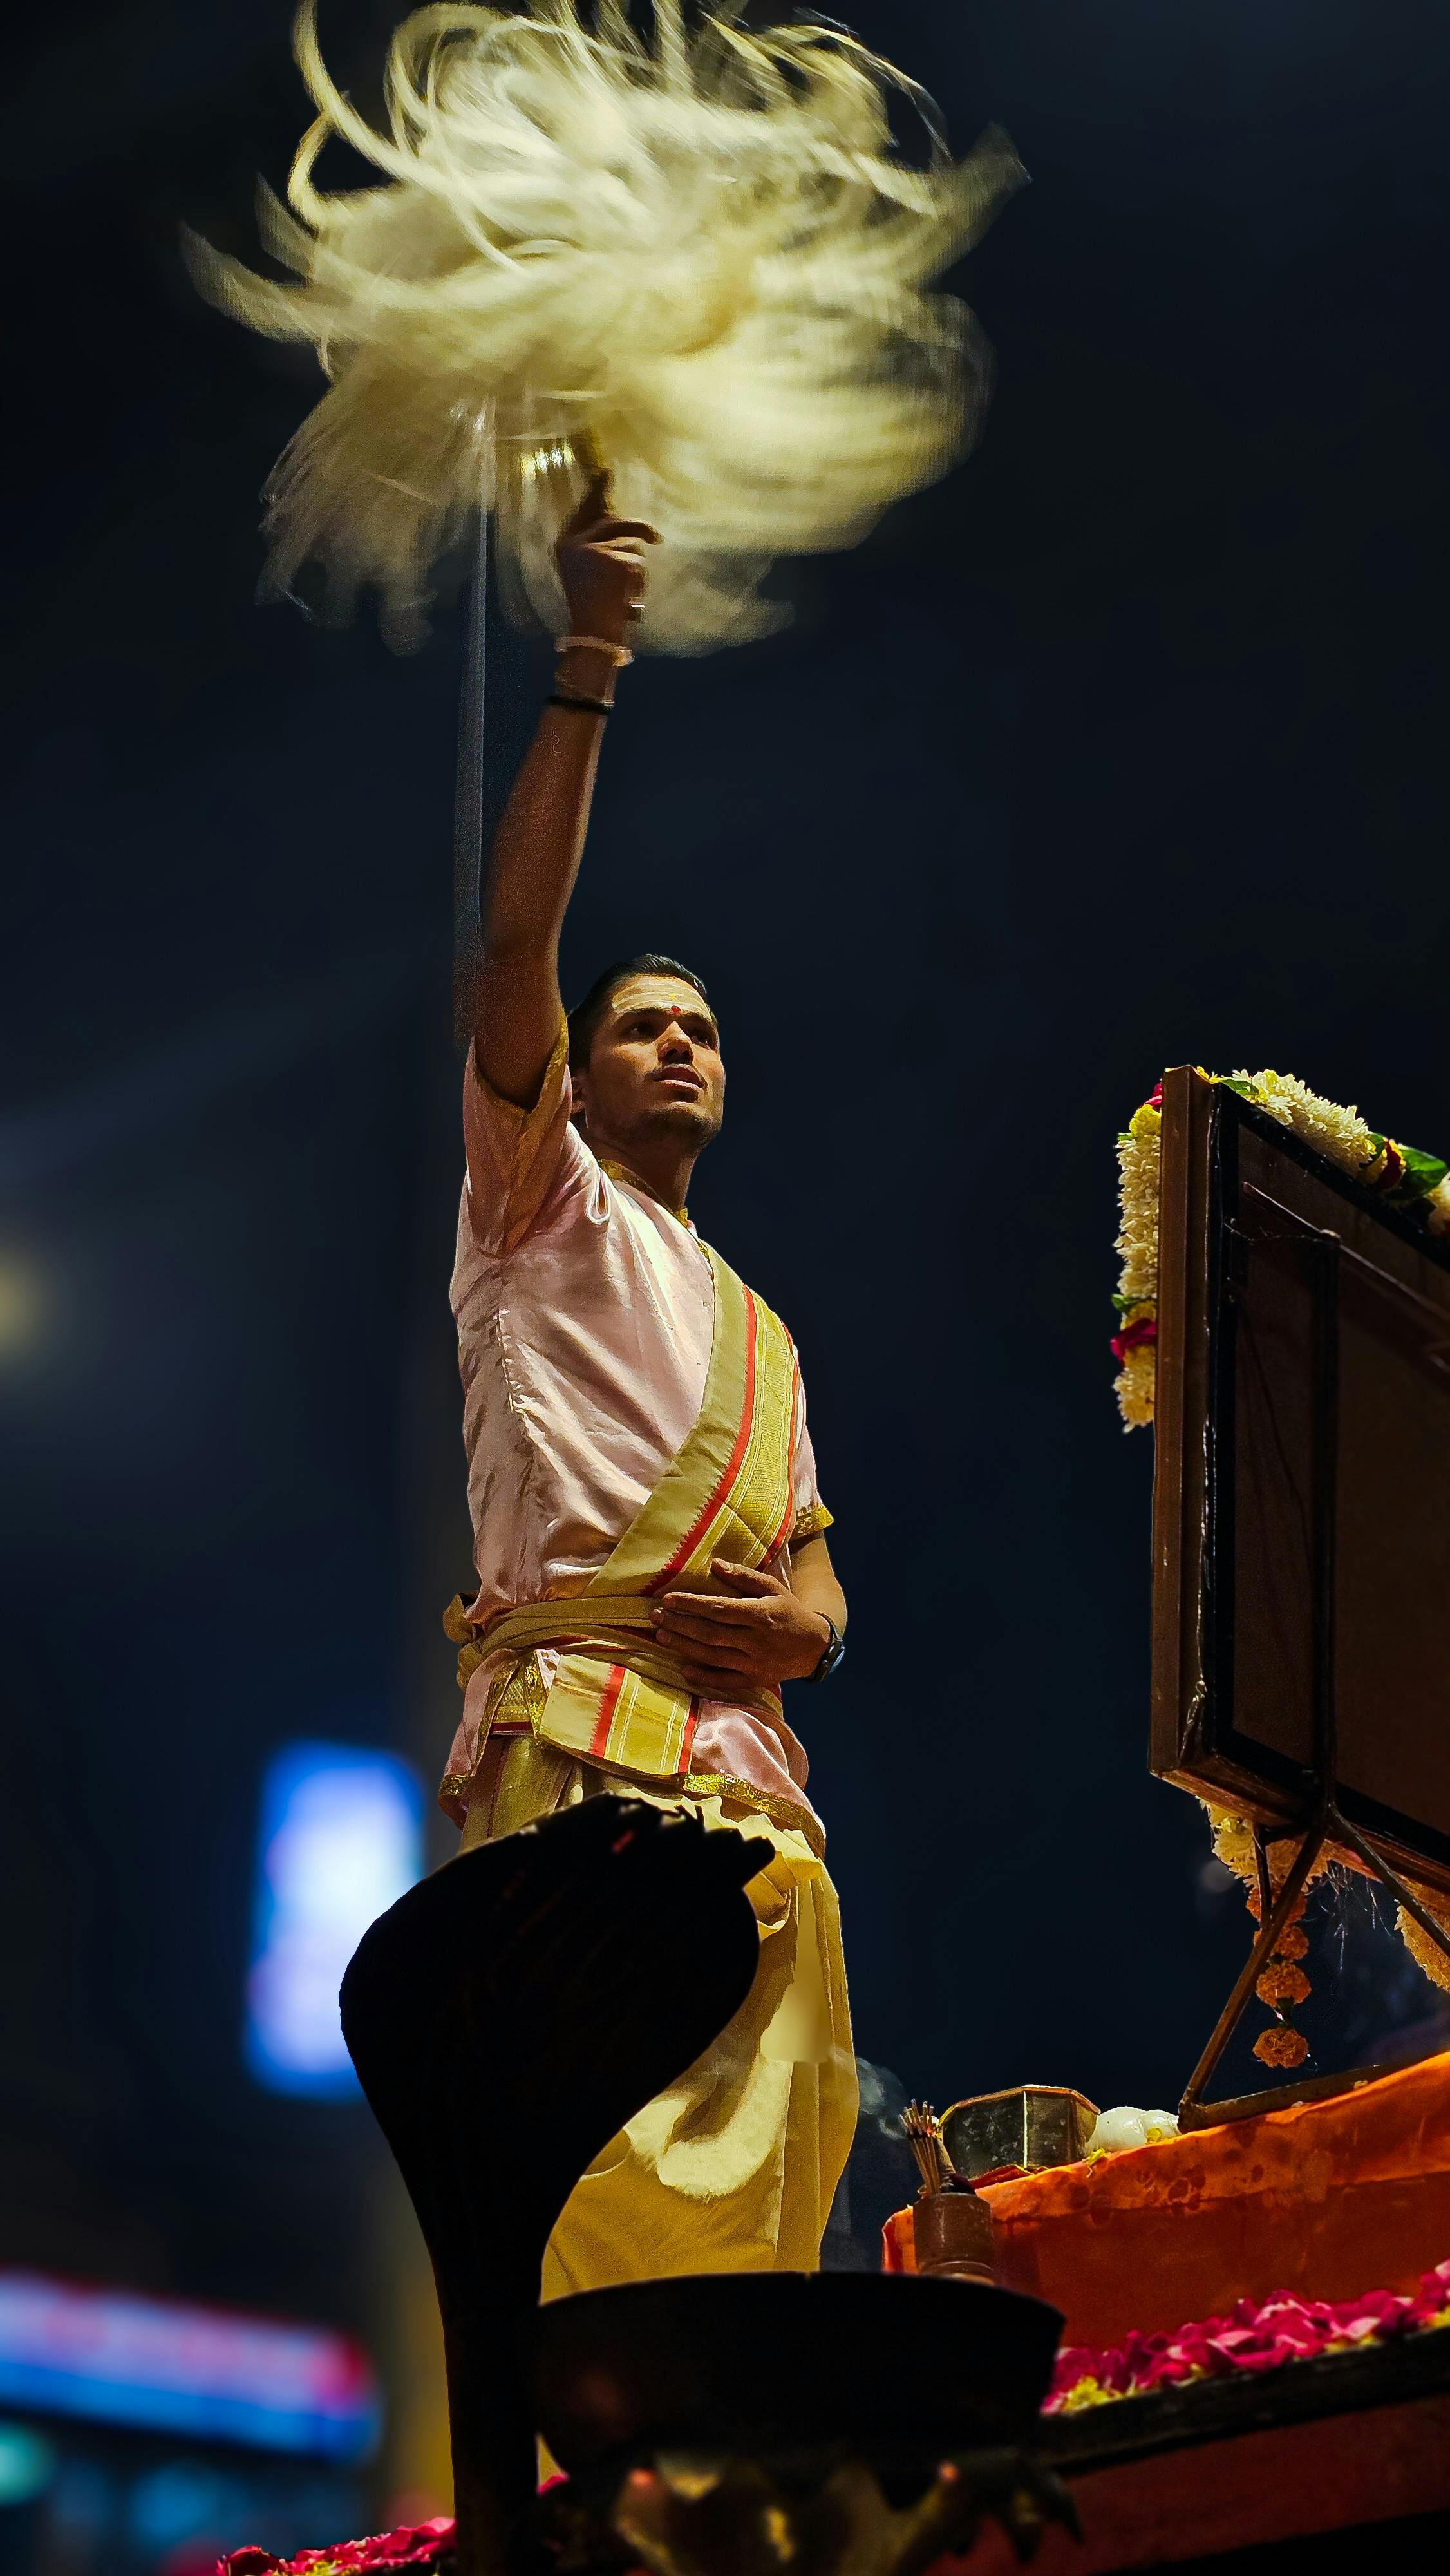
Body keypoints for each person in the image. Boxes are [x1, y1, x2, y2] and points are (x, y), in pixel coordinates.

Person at [440, 473, 857, 2298]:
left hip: (756, 1787)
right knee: (596, 2183)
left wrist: (808, 1633)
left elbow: (820, 1569)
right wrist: (592, 653)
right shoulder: (538, 1206)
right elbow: (515, 943)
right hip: (585, 1746)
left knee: (771, 2220)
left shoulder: (762, 1326)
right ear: (579, 1080)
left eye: (701, 1031)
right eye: (641, 1028)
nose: (677, 1046)